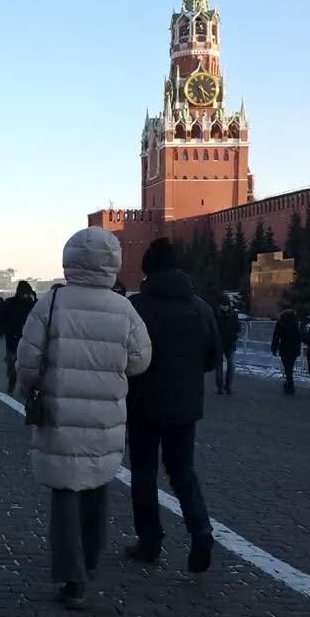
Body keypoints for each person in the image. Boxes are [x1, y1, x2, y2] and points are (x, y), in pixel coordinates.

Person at [16, 229, 152, 610]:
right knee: (96, 488)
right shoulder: (124, 308)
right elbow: (141, 360)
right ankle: (90, 564)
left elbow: (27, 362)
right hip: (105, 417)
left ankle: (71, 574)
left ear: (70, 259)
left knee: (65, 497)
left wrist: (34, 386)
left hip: (60, 415)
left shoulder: (52, 302)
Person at [125, 238, 220, 574]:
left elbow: (126, 356)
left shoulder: (136, 307)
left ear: (148, 270)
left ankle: (150, 541)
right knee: (183, 472)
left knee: (144, 474)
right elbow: (212, 358)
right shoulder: (200, 307)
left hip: (143, 403)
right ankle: (202, 533)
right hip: (185, 404)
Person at [1, 282, 37, 395]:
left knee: (26, 363)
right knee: (12, 361)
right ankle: (12, 378)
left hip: (28, 337)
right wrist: (4, 329)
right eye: (25, 293)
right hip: (12, 336)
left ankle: (23, 386)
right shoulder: (9, 303)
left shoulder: (33, 305)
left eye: (28, 293)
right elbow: (1, 317)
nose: (26, 296)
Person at [271, 308, 303, 394]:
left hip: (284, 348)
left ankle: (290, 384)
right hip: (294, 349)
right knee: (290, 367)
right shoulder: (296, 324)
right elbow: (300, 337)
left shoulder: (280, 323)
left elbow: (276, 336)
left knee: (287, 367)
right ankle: (289, 383)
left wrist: (274, 348)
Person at [213, 296, 239, 395]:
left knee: (231, 365)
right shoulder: (216, 314)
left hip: (230, 343)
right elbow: (212, 327)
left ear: (229, 306)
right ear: (220, 306)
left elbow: (237, 327)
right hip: (218, 343)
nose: (224, 307)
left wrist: (234, 335)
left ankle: (228, 386)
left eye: (226, 305)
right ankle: (220, 387)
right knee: (219, 366)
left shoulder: (234, 314)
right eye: (223, 305)